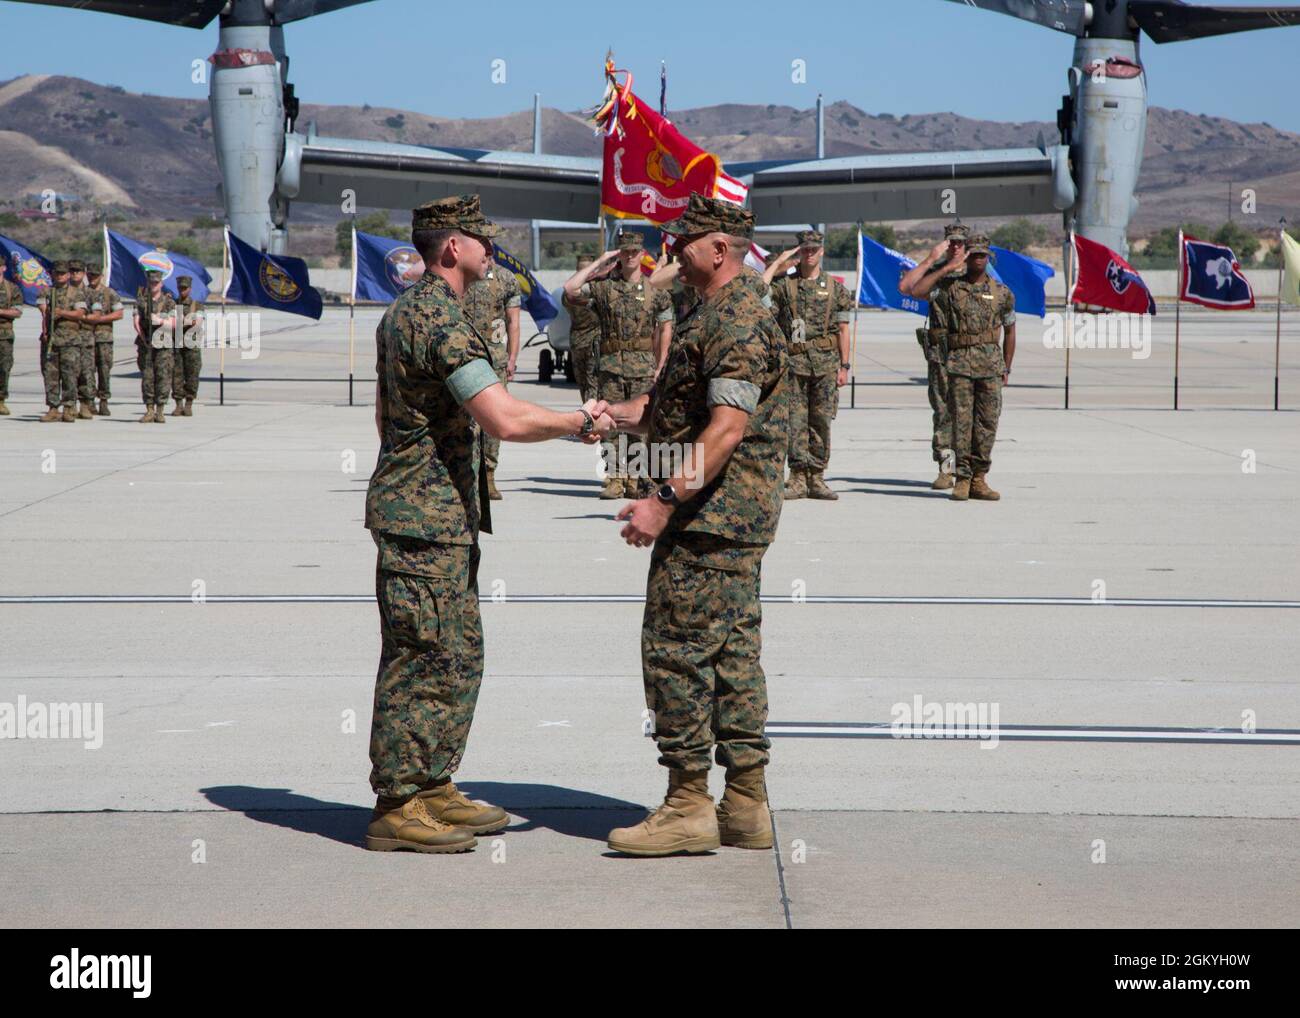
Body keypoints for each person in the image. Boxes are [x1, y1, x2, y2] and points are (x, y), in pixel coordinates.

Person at [365, 194, 615, 854]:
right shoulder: (434, 319)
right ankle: (396, 801)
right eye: (482, 240)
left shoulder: (422, 313)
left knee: (455, 655)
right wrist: (578, 421)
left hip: (438, 515)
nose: (491, 251)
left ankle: (432, 784)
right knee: (421, 657)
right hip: (421, 518)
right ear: (453, 248)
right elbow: (502, 418)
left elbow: (387, 416)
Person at [597, 194, 788, 857]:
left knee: (675, 652)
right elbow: (668, 407)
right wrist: (616, 415)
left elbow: (726, 430)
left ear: (718, 250)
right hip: (724, 518)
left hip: (712, 518)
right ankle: (745, 803)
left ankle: (686, 803)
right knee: (734, 656)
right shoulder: (702, 313)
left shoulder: (738, 323)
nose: (671, 250)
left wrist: (661, 500)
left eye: (684, 241)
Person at [906, 233, 1015, 501]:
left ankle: (980, 478)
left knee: (987, 424)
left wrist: (1006, 367)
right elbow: (916, 290)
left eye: (982, 255)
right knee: (961, 424)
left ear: (988, 257)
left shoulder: (1001, 292)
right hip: (960, 366)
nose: (978, 259)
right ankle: (962, 478)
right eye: (973, 254)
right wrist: (942, 266)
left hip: (990, 366)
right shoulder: (950, 287)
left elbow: (1011, 330)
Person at [563, 233, 672, 498]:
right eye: (625, 251)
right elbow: (571, 289)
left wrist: (661, 363)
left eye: (634, 251)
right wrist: (601, 260)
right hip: (611, 367)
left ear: (642, 253)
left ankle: (634, 478)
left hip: (643, 367)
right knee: (609, 423)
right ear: (619, 254)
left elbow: (665, 326)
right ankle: (614, 477)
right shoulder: (604, 289)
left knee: (639, 428)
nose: (630, 256)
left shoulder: (655, 292)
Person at [764, 231, 853, 500]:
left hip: (826, 365)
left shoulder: (836, 289)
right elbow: (759, 292)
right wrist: (780, 262)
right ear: (798, 252)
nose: (810, 254)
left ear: (822, 251)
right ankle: (798, 477)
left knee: (822, 421)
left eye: (814, 249)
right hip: (793, 365)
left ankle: (817, 476)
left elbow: (843, 329)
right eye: (804, 250)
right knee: (795, 422)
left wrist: (845, 366)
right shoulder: (784, 286)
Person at [899, 224, 969, 489]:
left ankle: (967, 471)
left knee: (967, 414)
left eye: (960, 242)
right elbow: (907, 287)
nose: (955, 247)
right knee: (943, 414)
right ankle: (946, 469)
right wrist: (932, 260)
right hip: (940, 355)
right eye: (951, 242)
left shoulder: (973, 273)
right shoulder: (936, 274)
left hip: (967, 353)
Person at [461, 259, 520, 498]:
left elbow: (513, 322)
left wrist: (512, 357)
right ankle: (466, 473)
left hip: (495, 358)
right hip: (464, 354)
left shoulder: (506, 279)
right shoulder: (462, 273)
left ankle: (489, 474)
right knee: (465, 417)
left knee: (494, 418)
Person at [36, 262, 86, 423]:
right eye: (57, 273)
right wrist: (48, 313)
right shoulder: (47, 291)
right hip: (52, 340)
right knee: (50, 375)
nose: (60, 276)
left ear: (68, 275)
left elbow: (80, 313)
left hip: (70, 341)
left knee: (69, 375)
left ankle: (69, 407)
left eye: (63, 273)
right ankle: (52, 408)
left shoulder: (77, 293)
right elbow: (42, 308)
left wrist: (62, 313)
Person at [133, 269, 176, 424]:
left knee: (163, 377)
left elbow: (174, 323)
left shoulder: (169, 301)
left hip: (163, 344)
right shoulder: (141, 300)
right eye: (151, 282)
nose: (153, 285)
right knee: (147, 377)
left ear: (161, 284)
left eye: (156, 283)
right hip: (147, 344)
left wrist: (160, 321)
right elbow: (136, 321)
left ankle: (160, 410)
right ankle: (149, 409)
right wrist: (144, 338)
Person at [83, 262, 123, 416]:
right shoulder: (82, 292)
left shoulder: (109, 293)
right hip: (86, 338)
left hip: (104, 338)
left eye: (95, 275)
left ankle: (104, 401)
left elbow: (119, 313)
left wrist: (100, 319)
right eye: (90, 275)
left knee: (104, 371)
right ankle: (89, 401)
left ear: (101, 276)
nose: (92, 278)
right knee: (87, 371)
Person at [563, 254, 602, 403]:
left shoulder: (568, 292)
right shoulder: (595, 290)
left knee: (584, 385)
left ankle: (588, 414)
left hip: (578, 343)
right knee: (592, 385)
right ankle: (591, 417)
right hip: (592, 344)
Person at [170, 276, 204, 416]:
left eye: (185, 288)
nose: (182, 291)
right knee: (176, 375)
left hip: (192, 346)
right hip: (177, 345)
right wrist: (187, 320)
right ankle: (178, 404)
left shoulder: (197, 305)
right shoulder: (172, 304)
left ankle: (189, 403)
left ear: (190, 289)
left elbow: (198, 322)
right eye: (180, 288)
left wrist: (180, 321)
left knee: (192, 375)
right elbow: (171, 322)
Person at [68, 259, 96, 419]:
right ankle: (70, 405)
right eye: (72, 271)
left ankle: (85, 404)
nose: (75, 274)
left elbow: (97, 315)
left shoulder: (90, 293)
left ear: (84, 273)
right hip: (67, 339)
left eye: (78, 271)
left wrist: (79, 316)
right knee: (69, 373)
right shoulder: (63, 292)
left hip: (85, 337)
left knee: (86, 373)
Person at [0, 259, 23, 417]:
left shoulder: (12, 288)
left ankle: (1, 400)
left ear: (3, 268)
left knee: (3, 368)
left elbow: (17, 311)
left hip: (4, 335)